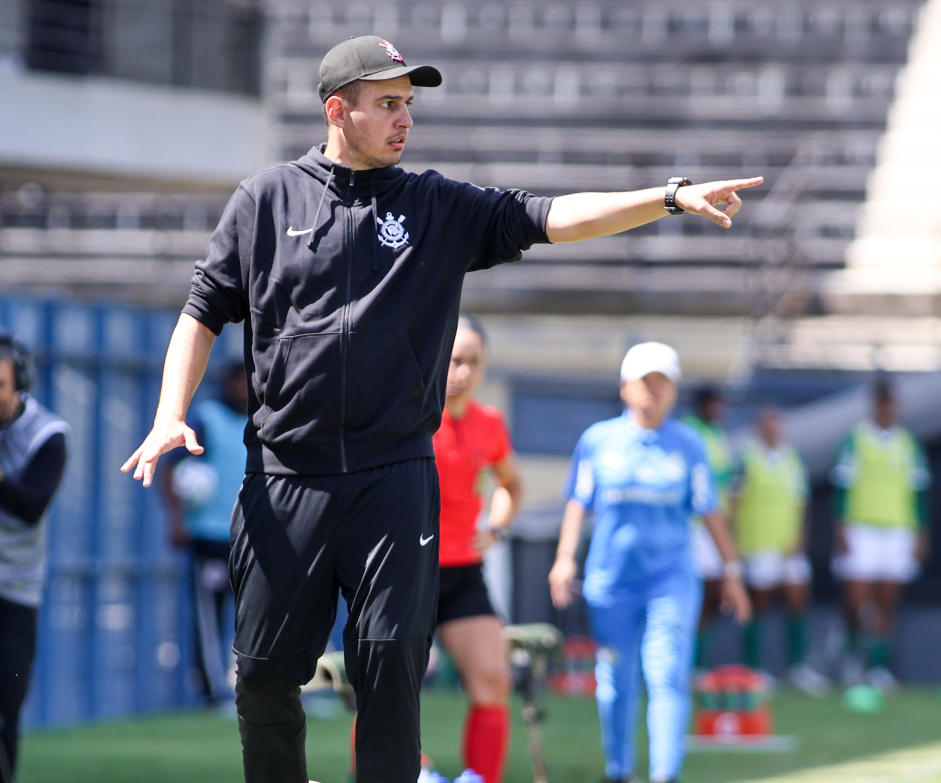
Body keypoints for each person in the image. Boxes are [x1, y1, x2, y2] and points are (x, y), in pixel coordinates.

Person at [120, 34, 762, 783]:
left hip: (393, 475)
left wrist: (668, 196)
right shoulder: (264, 200)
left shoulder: (434, 204)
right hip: (285, 475)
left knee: (391, 668)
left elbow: (555, 215)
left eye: (409, 104)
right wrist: (169, 412)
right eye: (387, 103)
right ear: (338, 110)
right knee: (262, 675)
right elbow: (201, 310)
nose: (405, 118)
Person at [548, 342, 750, 783]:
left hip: (670, 579)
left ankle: (665, 773)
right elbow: (578, 503)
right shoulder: (598, 440)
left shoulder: (690, 445)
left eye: (663, 382)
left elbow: (710, 510)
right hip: (610, 581)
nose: (654, 391)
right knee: (616, 677)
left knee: (666, 672)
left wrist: (732, 571)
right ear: (625, 387)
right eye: (645, 381)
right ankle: (619, 769)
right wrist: (564, 559)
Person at [433, 315, 522, 783]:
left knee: (493, 677)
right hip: (403, 570)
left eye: (472, 361)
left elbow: (511, 484)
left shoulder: (489, 423)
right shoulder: (406, 415)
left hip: (463, 570)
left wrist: (498, 527)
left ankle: (481, 779)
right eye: (452, 360)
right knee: (389, 685)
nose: (462, 371)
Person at [830, 379, 930, 692]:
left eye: (892, 403)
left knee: (887, 600)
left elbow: (918, 492)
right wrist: (841, 524)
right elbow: (842, 486)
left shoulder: (908, 445)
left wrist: (920, 530)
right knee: (856, 600)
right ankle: (851, 658)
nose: (888, 409)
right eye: (883, 403)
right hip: (861, 528)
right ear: (875, 405)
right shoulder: (855, 440)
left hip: (897, 529)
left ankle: (877, 667)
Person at [0, 334, 69, 783]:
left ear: (20, 384)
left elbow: (31, 505)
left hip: (15, 590)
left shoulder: (49, 435)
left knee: (6, 712)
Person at [160, 360, 248, 705]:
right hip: (210, 537)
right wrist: (177, 519)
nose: (244, 389)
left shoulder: (260, 420)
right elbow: (172, 469)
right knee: (209, 616)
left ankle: (256, 686)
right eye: (238, 382)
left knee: (255, 615)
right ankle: (213, 692)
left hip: (250, 537)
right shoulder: (206, 419)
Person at [730, 406, 828, 695]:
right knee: (758, 603)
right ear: (759, 427)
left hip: (787, 544)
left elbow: (801, 501)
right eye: (768, 423)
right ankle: (753, 667)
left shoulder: (792, 459)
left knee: (798, 598)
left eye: (776, 423)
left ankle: (797, 667)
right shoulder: (746, 458)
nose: (773, 428)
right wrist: (736, 539)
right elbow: (735, 501)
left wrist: (800, 537)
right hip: (757, 542)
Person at [681, 385, 733, 672]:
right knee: (695, 590)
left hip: (714, 525)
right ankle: (686, 661)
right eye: (714, 404)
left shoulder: (718, 434)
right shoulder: (689, 431)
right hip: (693, 525)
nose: (719, 410)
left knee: (712, 592)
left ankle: (697, 661)